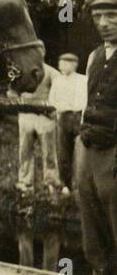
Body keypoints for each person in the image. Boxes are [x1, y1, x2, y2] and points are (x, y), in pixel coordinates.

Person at [63, 0, 117, 275]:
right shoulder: (95, 56)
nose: (104, 23)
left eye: (112, 16)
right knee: (97, 249)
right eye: (99, 17)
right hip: (90, 154)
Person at [11, 63, 61, 192]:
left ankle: (52, 183)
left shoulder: (50, 71)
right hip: (26, 115)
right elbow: (11, 90)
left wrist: (53, 106)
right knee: (24, 150)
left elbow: (62, 88)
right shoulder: (20, 72)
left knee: (49, 152)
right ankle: (25, 183)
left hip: (44, 116)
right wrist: (17, 100)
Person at [50, 52, 88, 193]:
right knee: (63, 152)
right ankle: (66, 185)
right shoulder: (57, 81)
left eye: (64, 62)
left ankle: (81, 186)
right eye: (60, 62)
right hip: (63, 118)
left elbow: (87, 101)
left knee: (81, 153)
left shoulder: (83, 80)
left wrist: (83, 118)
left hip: (79, 118)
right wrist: (59, 112)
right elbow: (52, 100)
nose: (61, 66)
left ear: (74, 64)